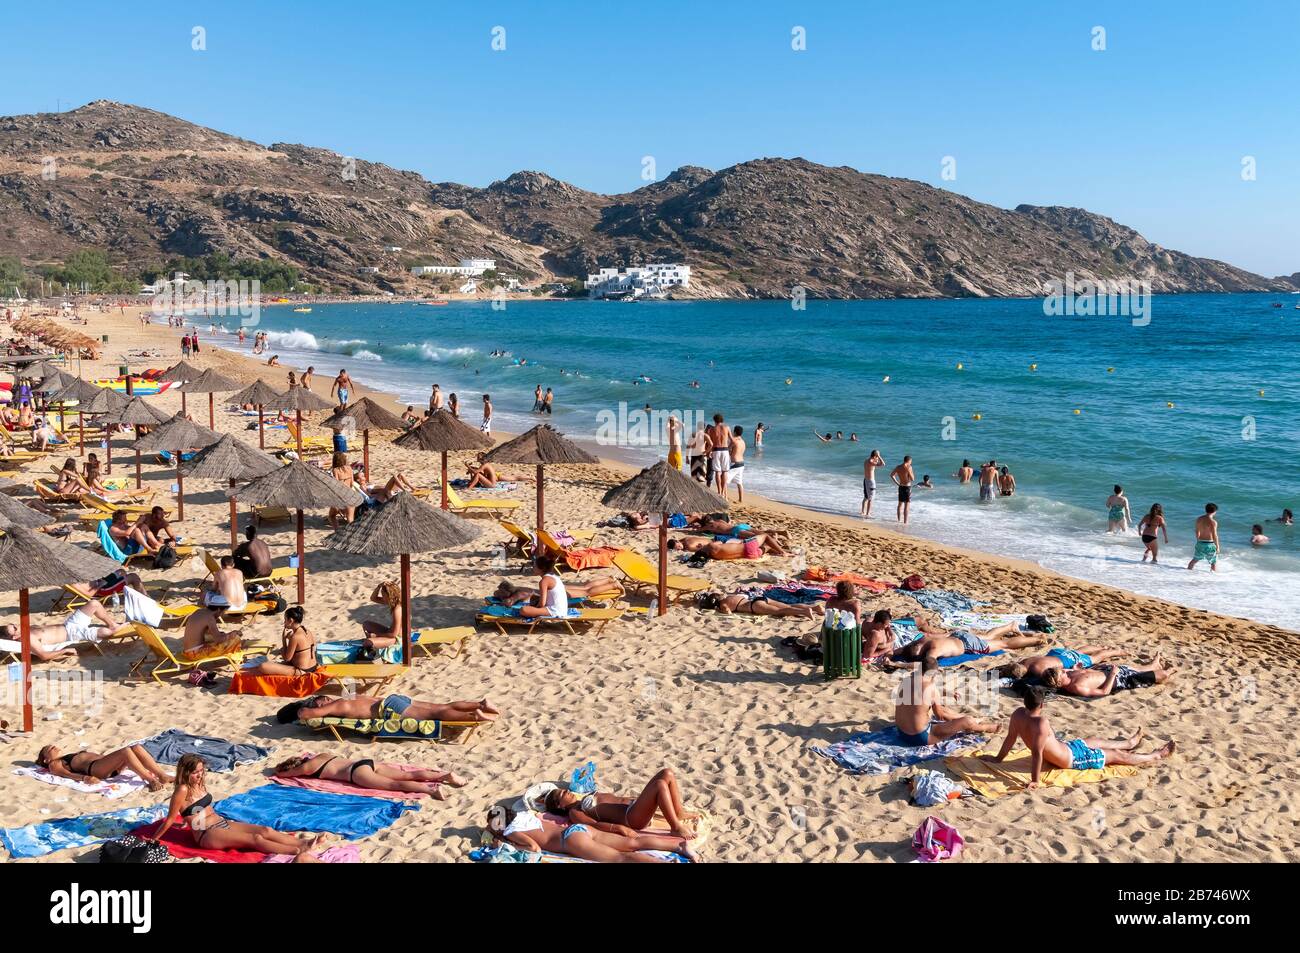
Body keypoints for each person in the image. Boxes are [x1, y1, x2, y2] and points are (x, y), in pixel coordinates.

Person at [982, 685, 1175, 787]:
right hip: (1070, 760)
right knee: (1116, 755)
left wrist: (999, 758)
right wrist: (1035, 780)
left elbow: (1010, 739)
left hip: (1066, 747)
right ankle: (1155, 755)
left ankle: (1130, 742)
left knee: (1092, 740)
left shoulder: (1017, 714)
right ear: (1041, 705)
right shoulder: (1041, 723)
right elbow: (1037, 754)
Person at [151, 754, 332, 859]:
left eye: (201, 770)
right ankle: (297, 851)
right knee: (256, 839)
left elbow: (193, 812)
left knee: (265, 830)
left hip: (221, 823)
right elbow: (170, 818)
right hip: (207, 834)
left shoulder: (200, 783)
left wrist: (186, 822)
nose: (200, 775)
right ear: (186, 772)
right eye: (195, 772)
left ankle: (304, 843)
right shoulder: (182, 789)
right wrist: (154, 839)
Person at [542, 767, 700, 840]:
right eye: (561, 795)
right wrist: (619, 828)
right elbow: (595, 825)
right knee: (660, 785)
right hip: (631, 817)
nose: (565, 791)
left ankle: (678, 812)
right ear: (560, 806)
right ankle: (675, 827)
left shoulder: (583, 797)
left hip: (634, 806)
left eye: (562, 790)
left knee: (667, 773)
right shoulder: (574, 812)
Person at [894, 657, 1000, 746]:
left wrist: (948, 693)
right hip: (919, 738)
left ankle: (972, 719)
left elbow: (921, 694)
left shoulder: (906, 681)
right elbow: (941, 716)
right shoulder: (931, 688)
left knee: (937, 708)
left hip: (901, 732)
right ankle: (986, 727)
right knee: (966, 721)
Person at [274, 754, 465, 799]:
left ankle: (430, 788)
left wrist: (279, 771)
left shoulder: (307, 767)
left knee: (392, 785)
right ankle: (444, 775)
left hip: (355, 774)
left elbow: (285, 774)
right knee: (407, 774)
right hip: (366, 762)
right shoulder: (321, 756)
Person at [892, 619, 1048, 664]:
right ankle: (1010, 626)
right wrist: (890, 656)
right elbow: (898, 651)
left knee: (1003, 644)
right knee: (986, 637)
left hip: (968, 646)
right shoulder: (922, 640)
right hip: (957, 635)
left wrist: (898, 664)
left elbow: (927, 665)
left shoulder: (933, 652)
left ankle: (1036, 640)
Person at [37, 742, 174, 791]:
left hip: (108, 766)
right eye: (49, 749)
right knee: (125, 751)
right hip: (95, 768)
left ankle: (162, 775)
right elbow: (66, 775)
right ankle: (150, 779)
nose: (53, 747)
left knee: (136, 747)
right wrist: (85, 778)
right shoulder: (54, 764)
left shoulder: (63, 757)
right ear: (46, 760)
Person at [1041, 654, 1175, 697]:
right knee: (1161, 675)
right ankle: (1170, 671)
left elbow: (1086, 672)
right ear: (1058, 682)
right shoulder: (1076, 687)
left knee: (1138, 669)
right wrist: (1112, 675)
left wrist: (1094, 668)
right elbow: (1104, 692)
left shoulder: (1068, 675)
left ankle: (1154, 664)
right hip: (1120, 680)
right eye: (1062, 673)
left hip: (1109, 671)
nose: (1065, 670)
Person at [246, 606, 317, 675]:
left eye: (285, 620)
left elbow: (287, 658)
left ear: (291, 621)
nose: (284, 622)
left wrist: (284, 639)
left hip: (302, 670)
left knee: (263, 666)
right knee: (282, 652)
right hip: (313, 666)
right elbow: (305, 645)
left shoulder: (295, 637)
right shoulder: (307, 631)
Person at [180, 606, 244, 661]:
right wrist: (233, 633)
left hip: (187, 652)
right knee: (235, 638)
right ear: (219, 609)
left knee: (218, 636)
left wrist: (225, 635)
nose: (221, 614)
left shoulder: (199, 611)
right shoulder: (210, 618)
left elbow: (208, 634)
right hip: (195, 654)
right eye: (223, 612)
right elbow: (219, 639)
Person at [696, 590, 817, 619]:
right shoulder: (730, 596)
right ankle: (815, 608)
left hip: (754, 606)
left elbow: (727, 612)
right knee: (787, 606)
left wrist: (719, 610)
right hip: (760, 598)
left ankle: (804, 612)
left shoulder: (723, 604)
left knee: (780, 611)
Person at [669, 533, 789, 559]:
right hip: (747, 547)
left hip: (750, 555)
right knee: (766, 537)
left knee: (766, 548)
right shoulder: (712, 546)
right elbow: (721, 543)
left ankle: (774, 547)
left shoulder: (715, 557)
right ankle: (783, 551)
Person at [360, 581, 403, 650]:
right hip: (390, 633)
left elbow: (394, 634)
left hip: (397, 639)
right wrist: (379, 586)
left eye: (383, 595)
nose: (382, 597)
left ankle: (375, 647)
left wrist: (375, 635)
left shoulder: (397, 609)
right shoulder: (393, 602)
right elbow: (373, 598)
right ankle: (376, 645)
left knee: (367, 643)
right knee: (366, 624)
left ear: (389, 595)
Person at [327, 451, 357, 528]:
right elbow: (352, 483)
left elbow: (337, 485)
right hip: (350, 495)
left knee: (332, 516)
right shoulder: (349, 468)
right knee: (350, 519)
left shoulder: (335, 470)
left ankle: (337, 532)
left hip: (340, 497)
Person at [1188, 502, 1221, 572]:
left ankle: (1187, 572)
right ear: (1215, 511)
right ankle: (1213, 578)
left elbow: (1197, 531)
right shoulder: (1213, 522)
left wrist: (1198, 540)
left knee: (1194, 560)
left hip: (1200, 542)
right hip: (1210, 544)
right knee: (1213, 562)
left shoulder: (1199, 519)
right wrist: (1217, 546)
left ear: (1206, 510)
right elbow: (1215, 535)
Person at [706, 414, 730, 495]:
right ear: (722, 420)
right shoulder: (727, 427)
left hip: (716, 450)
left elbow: (710, 443)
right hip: (725, 450)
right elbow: (733, 441)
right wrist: (728, 448)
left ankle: (719, 492)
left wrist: (708, 452)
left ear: (714, 420)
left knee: (717, 472)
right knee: (725, 471)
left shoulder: (712, 429)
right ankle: (723, 492)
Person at [891, 455, 915, 524]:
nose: (911, 463)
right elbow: (912, 479)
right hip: (907, 487)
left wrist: (897, 483)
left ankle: (899, 520)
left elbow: (892, 475)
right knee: (907, 505)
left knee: (900, 504)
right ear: (909, 461)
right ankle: (905, 522)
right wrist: (909, 471)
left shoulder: (898, 467)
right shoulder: (909, 467)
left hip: (901, 486)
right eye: (911, 461)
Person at [861, 449, 885, 518]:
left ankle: (863, 511)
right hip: (871, 481)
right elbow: (883, 464)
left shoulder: (866, 460)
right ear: (875, 456)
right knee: (870, 498)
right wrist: (879, 456)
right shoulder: (871, 462)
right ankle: (868, 513)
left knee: (866, 497)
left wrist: (876, 458)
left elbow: (874, 465)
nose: (878, 457)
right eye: (877, 456)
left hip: (865, 480)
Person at [725, 425, 746, 502]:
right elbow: (739, 452)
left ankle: (725, 498)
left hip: (735, 463)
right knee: (739, 482)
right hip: (742, 463)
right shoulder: (743, 442)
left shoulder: (734, 441)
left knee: (724, 480)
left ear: (734, 432)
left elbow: (727, 449)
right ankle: (741, 499)